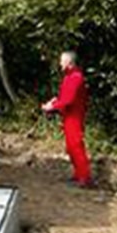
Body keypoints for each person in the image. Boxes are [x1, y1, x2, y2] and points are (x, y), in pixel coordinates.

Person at [41, 50, 92, 188]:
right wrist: (54, 101)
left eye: (62, 61)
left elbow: (68, 100)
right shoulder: (68, 77)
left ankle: (85, 178)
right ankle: (78, 174)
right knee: (70, 147)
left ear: (69, 62)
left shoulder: (76, 77)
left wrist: (52, 107)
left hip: (75, 117)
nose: (60, 63)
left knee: (76, 146)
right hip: (68, 116)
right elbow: (64, 97)